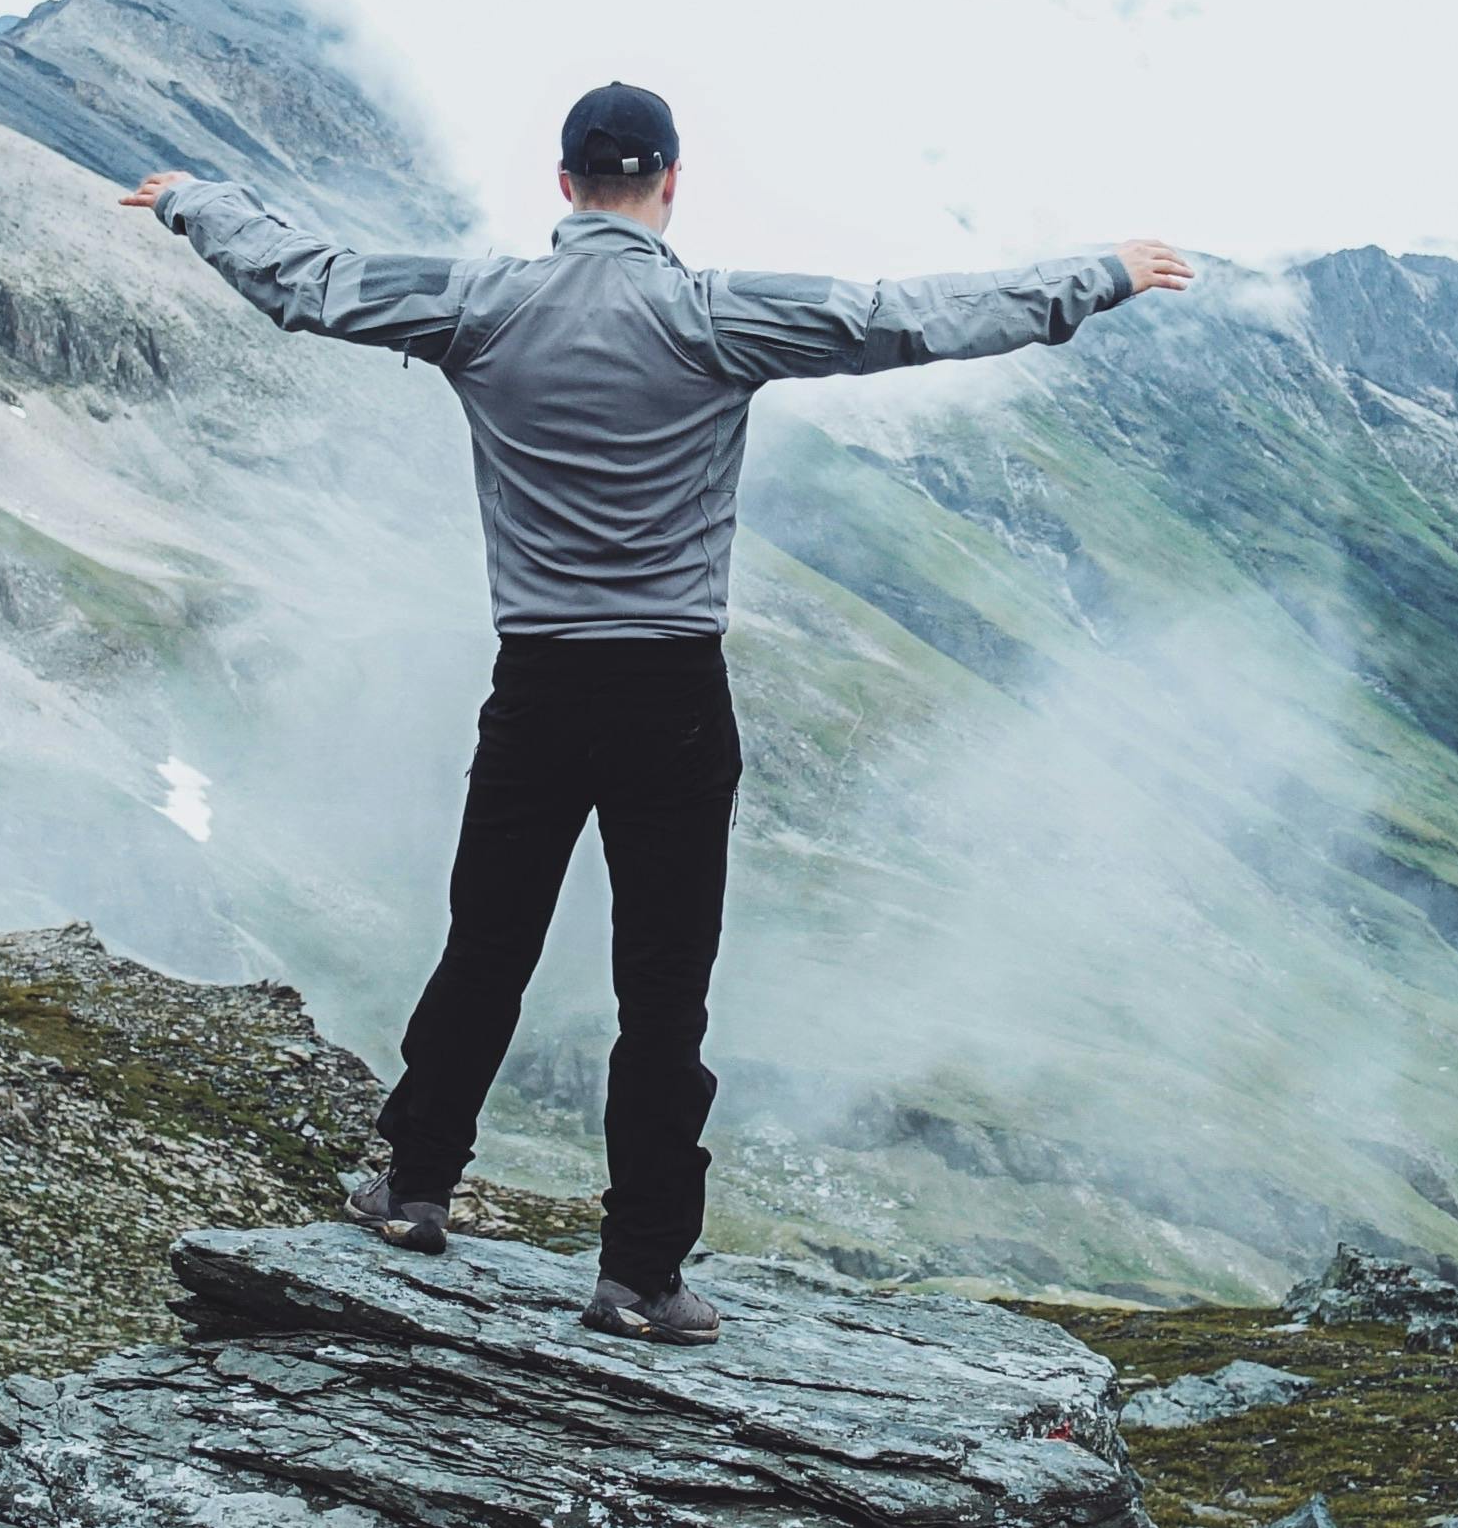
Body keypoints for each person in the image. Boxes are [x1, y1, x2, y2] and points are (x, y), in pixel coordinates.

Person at [119, 80, 1192, 1343]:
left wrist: (197, 201)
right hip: (675, 693)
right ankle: (639, 1272)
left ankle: (412, 1186)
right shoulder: (712, 315)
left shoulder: (480, 303)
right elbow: (910, 318)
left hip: (537, 683)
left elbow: (308, 277)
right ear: (668, 184)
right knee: (663, 988)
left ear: (565, 184)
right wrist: (1100, 273)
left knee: (488, 942)